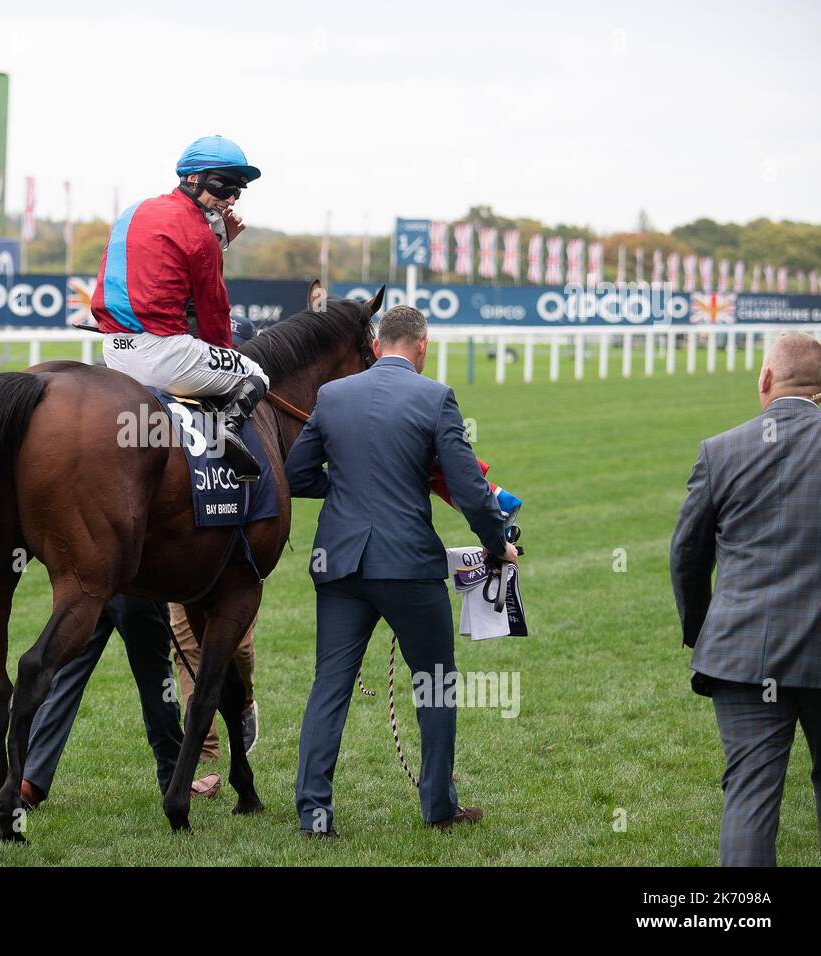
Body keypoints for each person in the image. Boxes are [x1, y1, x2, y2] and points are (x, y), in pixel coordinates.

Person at [285, 304, 517, 837]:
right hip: (408, 564)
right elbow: (470, 491)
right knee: (435, 684)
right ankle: (438, 807)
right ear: (423, 346)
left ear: (376, 345)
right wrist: (497, 543)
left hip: (340, 562)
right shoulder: (436, 397)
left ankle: (314, 815)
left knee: (330, 687)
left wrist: (342, 488)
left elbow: (296, 473)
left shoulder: (332, 395)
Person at [670, 332, 821, 866]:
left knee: (751, 801)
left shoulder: (721, 450)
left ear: (765, 380)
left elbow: (686, 557)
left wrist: (702, 629)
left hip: (743, 654)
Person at [92, 135, 269, 480]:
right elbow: (214, 314)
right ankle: (227, 433)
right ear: (192, 178)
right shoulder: (199, 234)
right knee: (256, 373)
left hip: (113, 349)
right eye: (222, 187)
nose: (229, 198)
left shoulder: (135, 211)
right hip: (164, 355)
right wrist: (222, 352)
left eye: (237, 192)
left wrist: (216, 242)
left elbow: (159, 268)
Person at [18, 595, 183, 809]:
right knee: (157, 680)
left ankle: (30, 780)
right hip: (134, 584)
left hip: (88, 583)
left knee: (66, 676)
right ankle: (176, 780)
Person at [167, 602, 259, 799]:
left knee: (238, 648)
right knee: (186, 647)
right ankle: (205, 748)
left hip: (233, 575)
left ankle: (244, 705)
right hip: (181, 575)